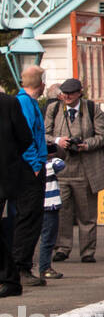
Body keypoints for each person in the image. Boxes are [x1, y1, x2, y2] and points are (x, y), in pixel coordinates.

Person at [44, 78, 104, 263]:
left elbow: (102, 136)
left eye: (70, 93)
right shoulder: (54, 109)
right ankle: (62, 248)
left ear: (79, 93)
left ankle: (87, 252)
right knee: (62, 212)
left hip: (86, 170)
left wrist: (85, 144)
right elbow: (43, 134)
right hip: (61, 169)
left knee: (87, 214)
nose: (66, 96)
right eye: (64, 93)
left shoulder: (92, 109)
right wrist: (58, 140)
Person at [11, 66, 49, 287]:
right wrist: (35, 164)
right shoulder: (25, 103)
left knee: (33, 217)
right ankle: (21, 265)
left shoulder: (29, 102)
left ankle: (22, 264)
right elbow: (25, 136)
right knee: (29, 217)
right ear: (41, 83)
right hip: (29, 168)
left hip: (34, 164)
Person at [0, 90, 34, 297]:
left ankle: (10, 279)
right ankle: (9, 277)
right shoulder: (9, 103)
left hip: (4, 176)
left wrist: (8, 157)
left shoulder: (9, 103)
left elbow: (25, 138)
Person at [37, 156, 66, 280]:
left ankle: (42, 267)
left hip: (44, 205)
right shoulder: (50, 165)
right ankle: (44, 268)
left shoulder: (35, 165)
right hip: (50, 206)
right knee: (48, 239)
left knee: (45, 239)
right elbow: (60, 163)